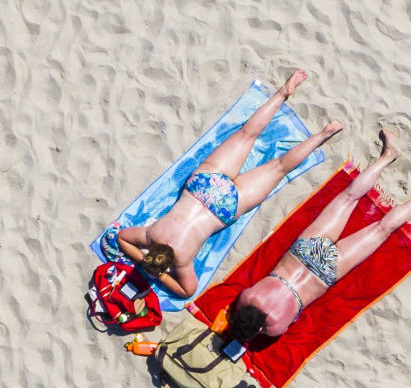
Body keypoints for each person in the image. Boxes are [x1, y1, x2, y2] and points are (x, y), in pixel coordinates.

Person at [117, 70, 343, 297]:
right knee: (247, 135)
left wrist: (160, 276)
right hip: (202, 187)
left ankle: (324, 134)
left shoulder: (182, 261)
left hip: (223, 208)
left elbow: (187, 291)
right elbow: (122, 237)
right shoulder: (150, 234)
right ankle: (284, 92)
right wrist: (143, 258)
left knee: (280, 167)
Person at [226, 129, 411, 342]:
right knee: (348, 197)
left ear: (258, 330)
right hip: (303, 252)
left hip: (324, 273)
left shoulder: (274, 328)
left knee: (381, 230)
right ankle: (387, 157)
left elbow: (282, 325)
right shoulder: (246, 298)